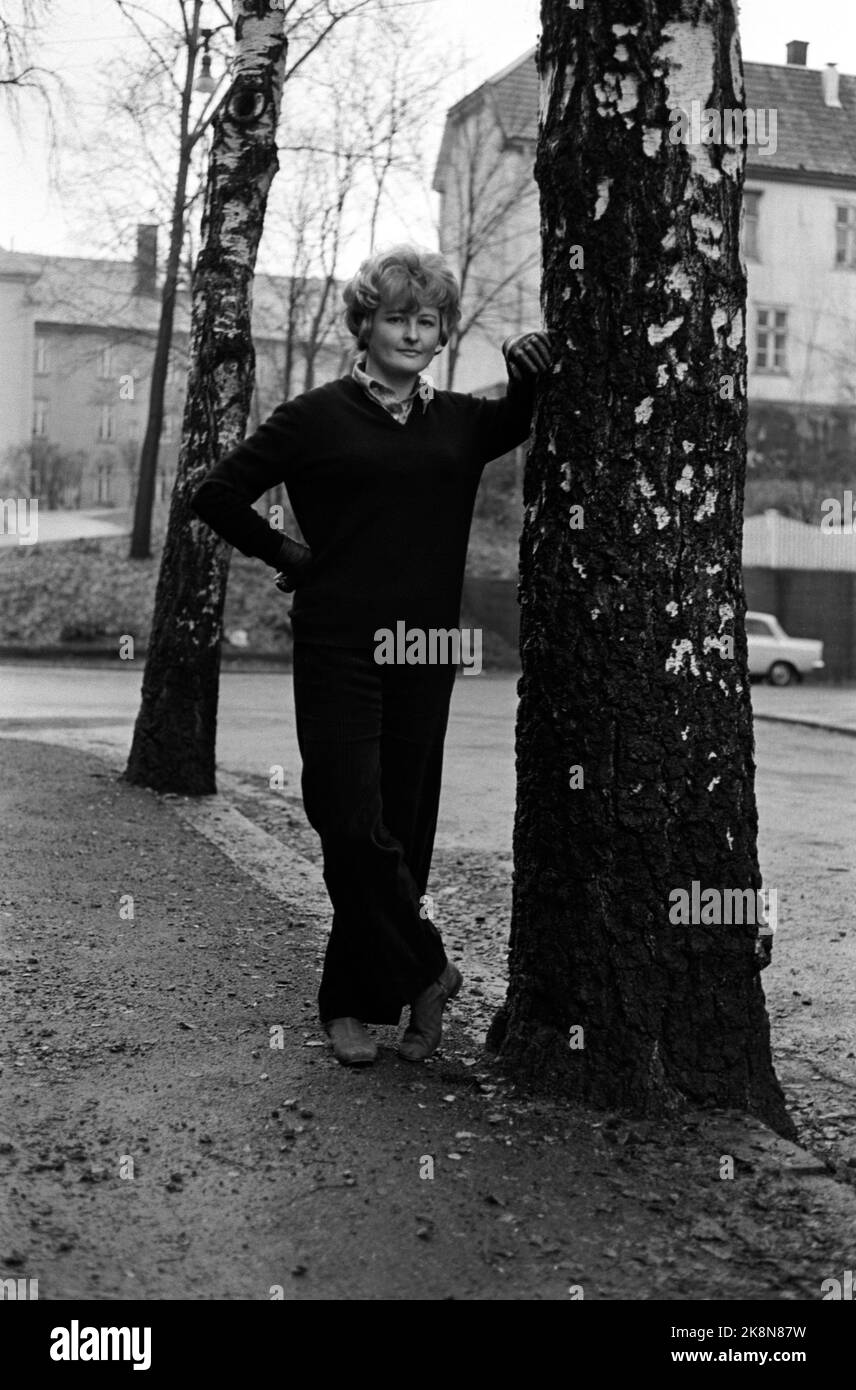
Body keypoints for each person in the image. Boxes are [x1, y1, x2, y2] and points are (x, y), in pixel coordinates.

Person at [191, 244, 551, 1066]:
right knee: (347, 818)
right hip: (339, 643)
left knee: (402, 831)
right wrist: (289, 556)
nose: (414, 333)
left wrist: (527, 369)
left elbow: (519, 415)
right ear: (365, 324)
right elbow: (213, 493)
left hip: (427, 649)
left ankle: (365, 1001)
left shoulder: (459, 422)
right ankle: (427, 969)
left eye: (429, 321)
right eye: (397, 317)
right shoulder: (315, 416)